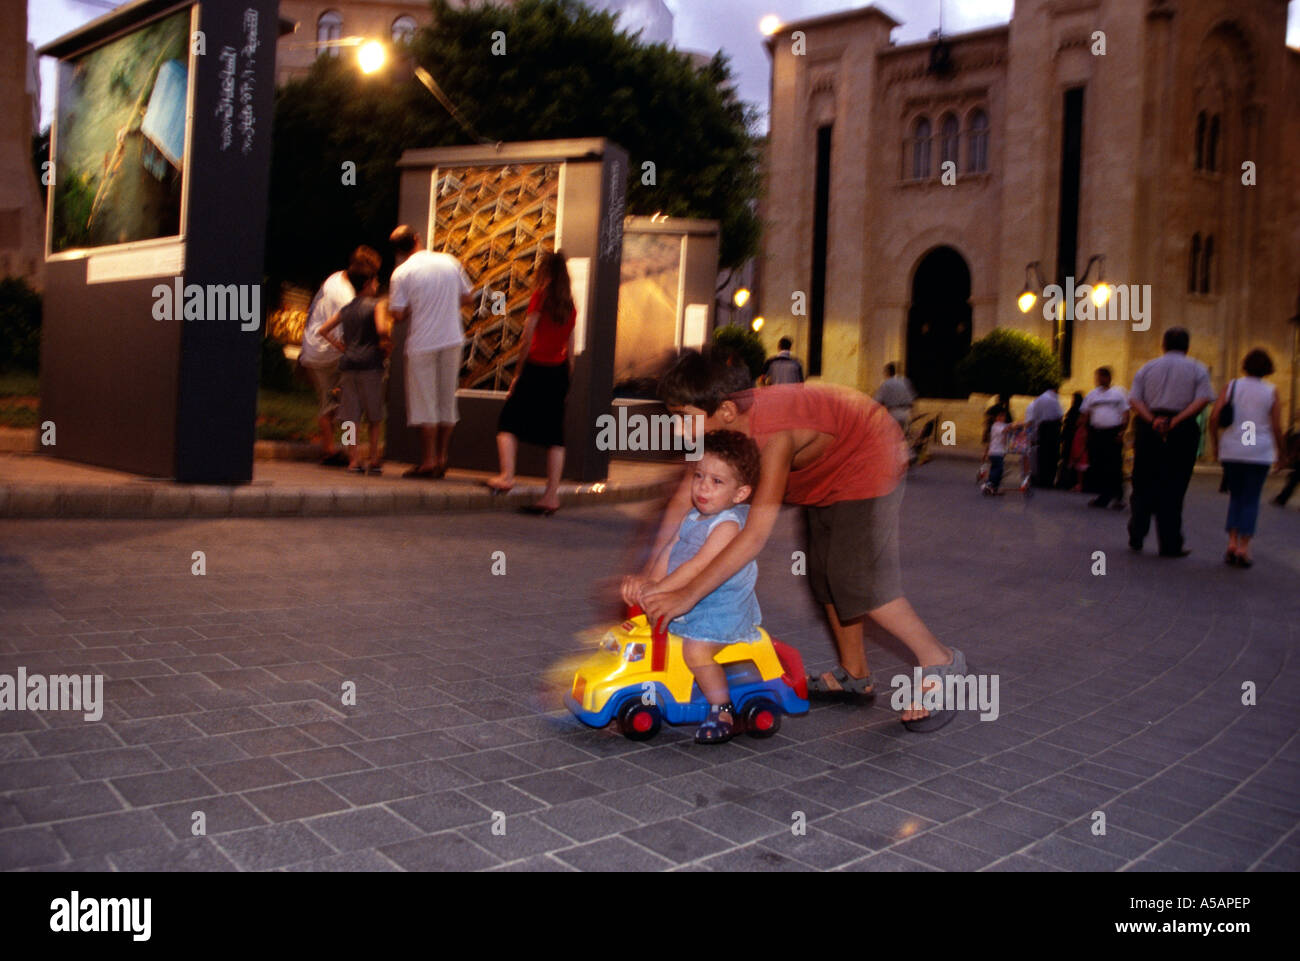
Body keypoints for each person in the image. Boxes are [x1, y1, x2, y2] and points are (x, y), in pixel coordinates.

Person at [639, 349, 967, 732]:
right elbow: (683, 499)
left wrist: (687, 594)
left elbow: (754, 536)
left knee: (854, 576)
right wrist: (651, 576)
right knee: (823, 573)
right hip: (824, 469)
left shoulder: (774, 434)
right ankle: (855, 675)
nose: (678, 431)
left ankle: (940, 660)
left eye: (682, 419)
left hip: (868, 450)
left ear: (726, 411)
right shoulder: (718, 428)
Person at [621, 430, 763, 744]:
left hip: (720, 611)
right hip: (688, 601)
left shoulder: (727, 526)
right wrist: (650, 582)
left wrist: (658, 592)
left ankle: (721, 708)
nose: (702, 487)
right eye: (699, 476)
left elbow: (696, 567)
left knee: (696, 650)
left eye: (716, 482)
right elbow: (670, 551)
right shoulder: (693, 515)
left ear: (740, 494)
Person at [485, 251, 577, 514]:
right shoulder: (569, 305)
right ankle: (551, 496)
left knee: (508, 421)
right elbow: (570, 349)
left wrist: (517, 373)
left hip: (536, 368)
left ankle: (507, 476)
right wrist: (568, 380)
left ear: (545, 272)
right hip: (558, 373)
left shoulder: (541, 297)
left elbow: (527, 338)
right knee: (555, 436)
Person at [387, 225, 475, 479]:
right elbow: (468, 297)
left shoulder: (401, 273)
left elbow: (398, 314)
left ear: (399, 251)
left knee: (425, 401)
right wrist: (446, 302)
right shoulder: (449, 261)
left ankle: (427, 460)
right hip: (452, 338)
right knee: (447, 400)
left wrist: (418, 306)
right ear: (417, 238)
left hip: (422, 342)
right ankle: (443, 457)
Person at [1127, 327, 1216, 557]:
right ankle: (1169, 542)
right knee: (1174, 486)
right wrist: (1176, 420)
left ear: (1163, 345)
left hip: (1149, 426)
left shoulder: (1147, 367)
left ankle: (1137, 532)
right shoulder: (1198, 368)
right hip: (1182, 428)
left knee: (1143, 480)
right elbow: (1203, 399)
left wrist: (1152, 420)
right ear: (1187, 346)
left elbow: (1135, 399)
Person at [299, 246, 382, 466]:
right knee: (338, 405)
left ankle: (341, 450)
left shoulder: (335, 278)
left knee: (337, 403)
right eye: (374, 276)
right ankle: (334, 451)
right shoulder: (346, 298)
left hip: (316, 349)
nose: (375, 280)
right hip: (327, 355)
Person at [1210, 349, 1282, 568]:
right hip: (1259, 451)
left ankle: (1231, 543)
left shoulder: (1231, 386)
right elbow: (1276, 426)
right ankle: (1244, 548)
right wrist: (1282, 452)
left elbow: (1214, 417)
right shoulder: (1271, 391)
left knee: (1236, 497)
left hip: (1233, 449)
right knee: (1251, 499)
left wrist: (1215, 444)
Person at [317, 268, 389, 475]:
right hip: (370, 365)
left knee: (350, 417)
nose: (377, 285)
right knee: (374, 416)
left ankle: (353, 460)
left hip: (348, 365)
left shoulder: (346, 309)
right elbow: (382, 329)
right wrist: (386, 341)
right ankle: (374, 459)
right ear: (367, 283)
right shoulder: (377, 305)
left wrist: (341, 346)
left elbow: (323, 329)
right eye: (375, 281)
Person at [1081, 367, 1130, 509]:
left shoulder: (1118, 394)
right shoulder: (1092, 395)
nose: (1098, 380)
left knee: (1114, 465)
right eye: (1097, 377)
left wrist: (1122, 432)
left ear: (1108, 378)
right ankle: (1104, 496)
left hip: (1113, 433)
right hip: (1097, 433)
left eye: (1101, 377)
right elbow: (1086, 414)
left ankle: (1118, 497)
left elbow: (1126, 413)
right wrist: (1084, 432)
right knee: (1099, 465)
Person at [1024, 385, 1063, 488]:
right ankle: (1049, 481)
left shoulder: (1038, 400)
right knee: (1052, 456)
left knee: (1042, 455)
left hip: (1042, 429)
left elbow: (1034, 418)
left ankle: (1040, 479)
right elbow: (1060, 415)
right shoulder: (1054, 400)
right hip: (1052, 429)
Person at [874, 362, 917, 433]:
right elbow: (912, 399)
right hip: (906, 413)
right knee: (902, 436)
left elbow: (877, 401)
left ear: (888, 372)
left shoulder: (886, 384)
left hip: (894, 413)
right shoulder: (905, 381)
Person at [1057, 392, 1084, 489]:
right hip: (1075, 438)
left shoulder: (1074, 411)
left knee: (1068, 460)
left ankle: (1066, 482)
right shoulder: (1080, 411)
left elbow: (1068, 425)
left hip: (1072, 439)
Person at [982, 406, 1010, 495]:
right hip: (995, 452)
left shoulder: (1002, 425)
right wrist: (1015, 426)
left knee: (997, 469)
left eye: (1004, 416)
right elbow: (1006, 429)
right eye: (1000, 416)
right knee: (998, 469)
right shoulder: (996, 426)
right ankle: (990, 484)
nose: (1002, 418)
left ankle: (994, 487)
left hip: (999, 452)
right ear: (996, 417)